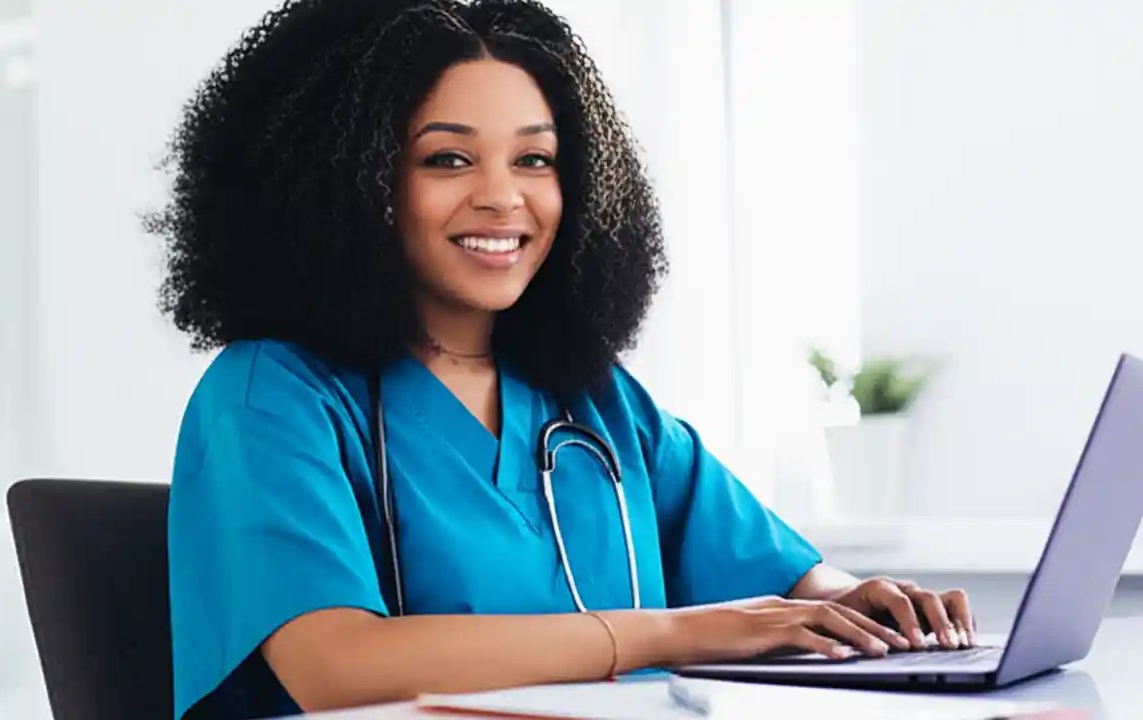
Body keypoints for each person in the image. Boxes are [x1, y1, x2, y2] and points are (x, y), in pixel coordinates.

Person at [146, 1, 976, 718]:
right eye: (448, 158)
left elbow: (792, 582)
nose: (504, 197)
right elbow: (338, 667)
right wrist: (674, 631)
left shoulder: (596, 403)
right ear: (346, 182)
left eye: (534, 159)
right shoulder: (271, 398)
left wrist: (869, 609)